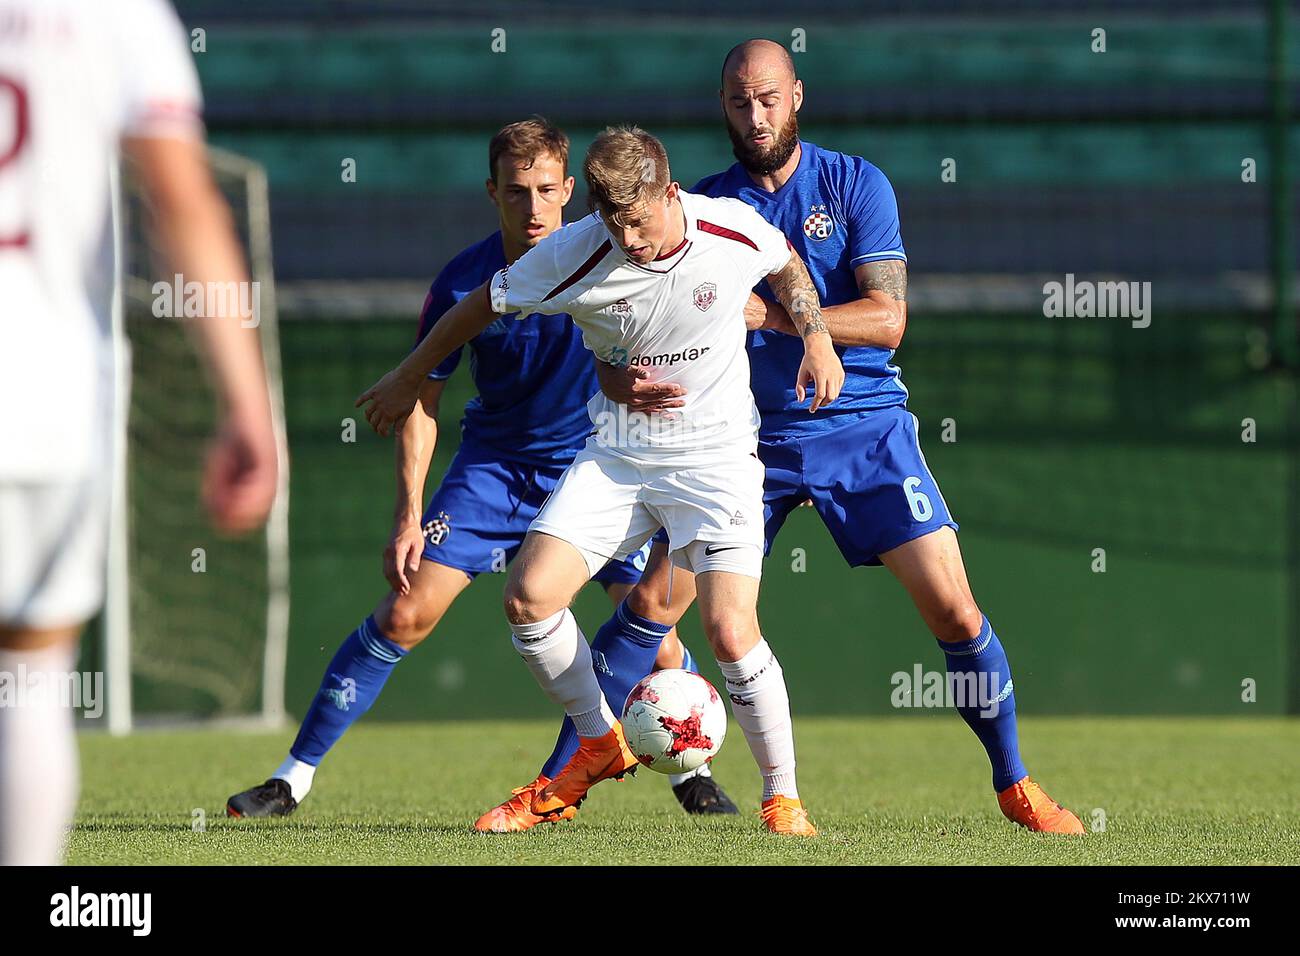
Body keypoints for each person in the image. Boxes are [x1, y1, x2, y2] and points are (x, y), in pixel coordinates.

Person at [527, 39, 1085, 835]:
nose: (754, 117)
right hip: (743, 443)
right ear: (721, 106)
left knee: (957, 614)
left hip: (864, 429)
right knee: (654, 605)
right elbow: (631, 339)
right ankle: (560, 781)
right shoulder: (700, 211)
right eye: (737, 102)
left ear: (797, 97)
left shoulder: (855, 185)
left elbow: (888, 321)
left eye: (768, 99)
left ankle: (1016, 786)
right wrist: (620, 380)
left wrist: (776, 317)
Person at [226, 119, 739, 828]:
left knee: (661, 637)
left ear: (572, 191)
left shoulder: (617, 261)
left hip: (599, 464)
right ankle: (291, 779)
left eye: (547, 191)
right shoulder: (464, 284)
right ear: (491, 192)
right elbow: (422, 403)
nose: (533, 208)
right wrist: (408, 515)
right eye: (516, 192)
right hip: (494, 470)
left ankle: (691, 767)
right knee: (406, 610)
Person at [356, 126, 844, 835]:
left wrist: (817, 334)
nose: (631, 239)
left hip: (715, 462)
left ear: (669, 194)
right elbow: (478, 307)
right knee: (528, 600)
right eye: (614, 223)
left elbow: (788, 263)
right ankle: (597, 740)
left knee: (731, 634)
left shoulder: (728, 228)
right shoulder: (575, 250)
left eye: (641, 219)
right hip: (618, 455)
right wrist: (408, 376)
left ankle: (784, 797)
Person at [0, 0, 280, 865]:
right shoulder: (115, 15)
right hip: (40, 393)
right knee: (31, 677)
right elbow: (179, 200)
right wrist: (247, 406)